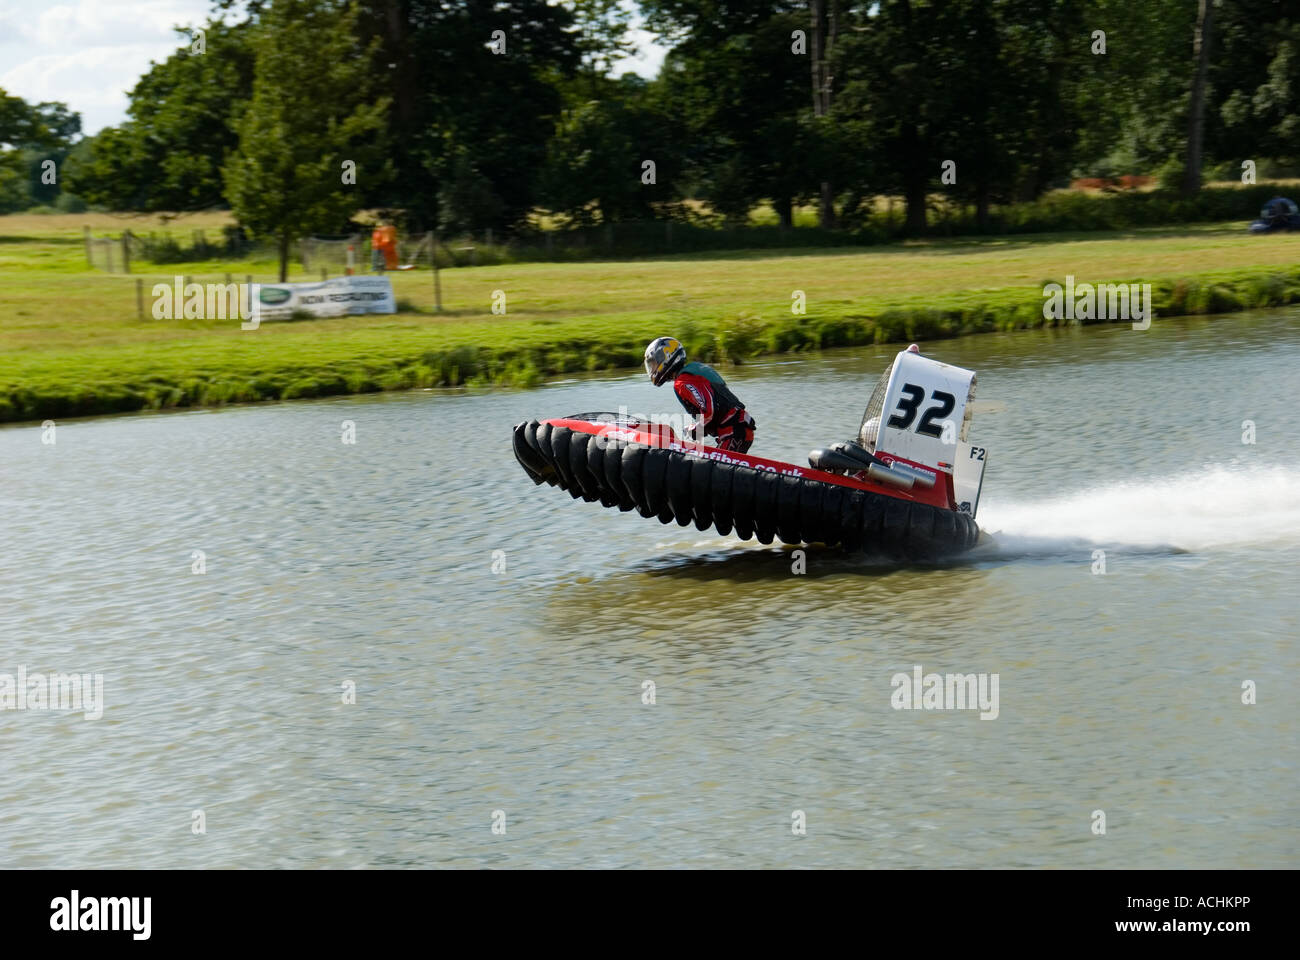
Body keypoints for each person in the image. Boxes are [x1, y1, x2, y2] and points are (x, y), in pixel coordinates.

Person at [643, 336, 756, 453]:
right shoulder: (694, 370)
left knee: (718, 469)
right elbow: (715, 406)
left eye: (654, 363)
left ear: (666, 357)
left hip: (733, 431)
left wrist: (696, 427)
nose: (653, 368)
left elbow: (709, 410)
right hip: (738, 428)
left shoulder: (682, 382)